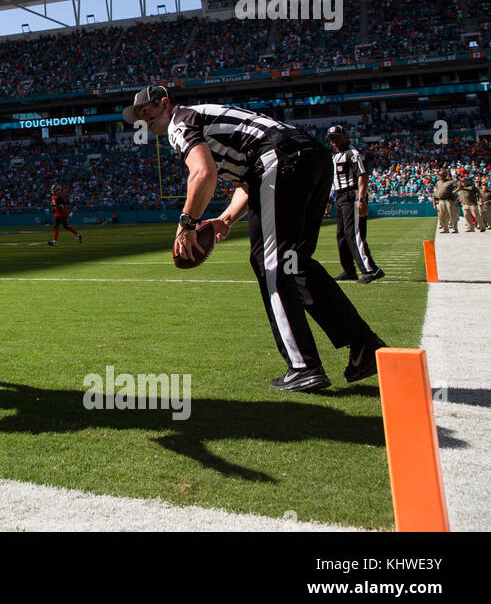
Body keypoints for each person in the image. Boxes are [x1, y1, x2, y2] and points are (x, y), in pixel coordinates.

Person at [124, 85, 386, 393]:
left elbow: (203, 173)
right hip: (308, 157)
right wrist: (225, 219)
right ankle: (365, 346)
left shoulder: (180, 123)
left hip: (280, 159)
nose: (143, 121)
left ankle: (303, 365)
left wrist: (187, 224)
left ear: (164, 104)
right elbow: (249, 179)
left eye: (146, 112)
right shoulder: (209, 121)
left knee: (271, 262)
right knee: (295, 263)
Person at [326, 125, 383, 283]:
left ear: (344, 136)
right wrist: (330, 201)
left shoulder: (353, 154)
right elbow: (335, 182)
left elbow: (363, 176)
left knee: (354, 233)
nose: (333, 141)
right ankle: (349, 270)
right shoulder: (336, 155)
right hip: (340, 196)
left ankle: (371, 270)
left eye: (336, 137)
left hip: (352, 195)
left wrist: (361, 199)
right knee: (342, 236)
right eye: (331, 138)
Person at [432, 169, 458, 233]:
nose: (440, 176)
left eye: (441, 175)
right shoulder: (438, 182)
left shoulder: (451, 182)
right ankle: (445, 229)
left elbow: (459, 186)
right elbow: (436, 189)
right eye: (439, 175)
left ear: (445, 175)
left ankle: (455, 229)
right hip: (440, 200)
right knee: (442, 215)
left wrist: (455, 192)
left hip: (449, 200)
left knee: (452, 215)